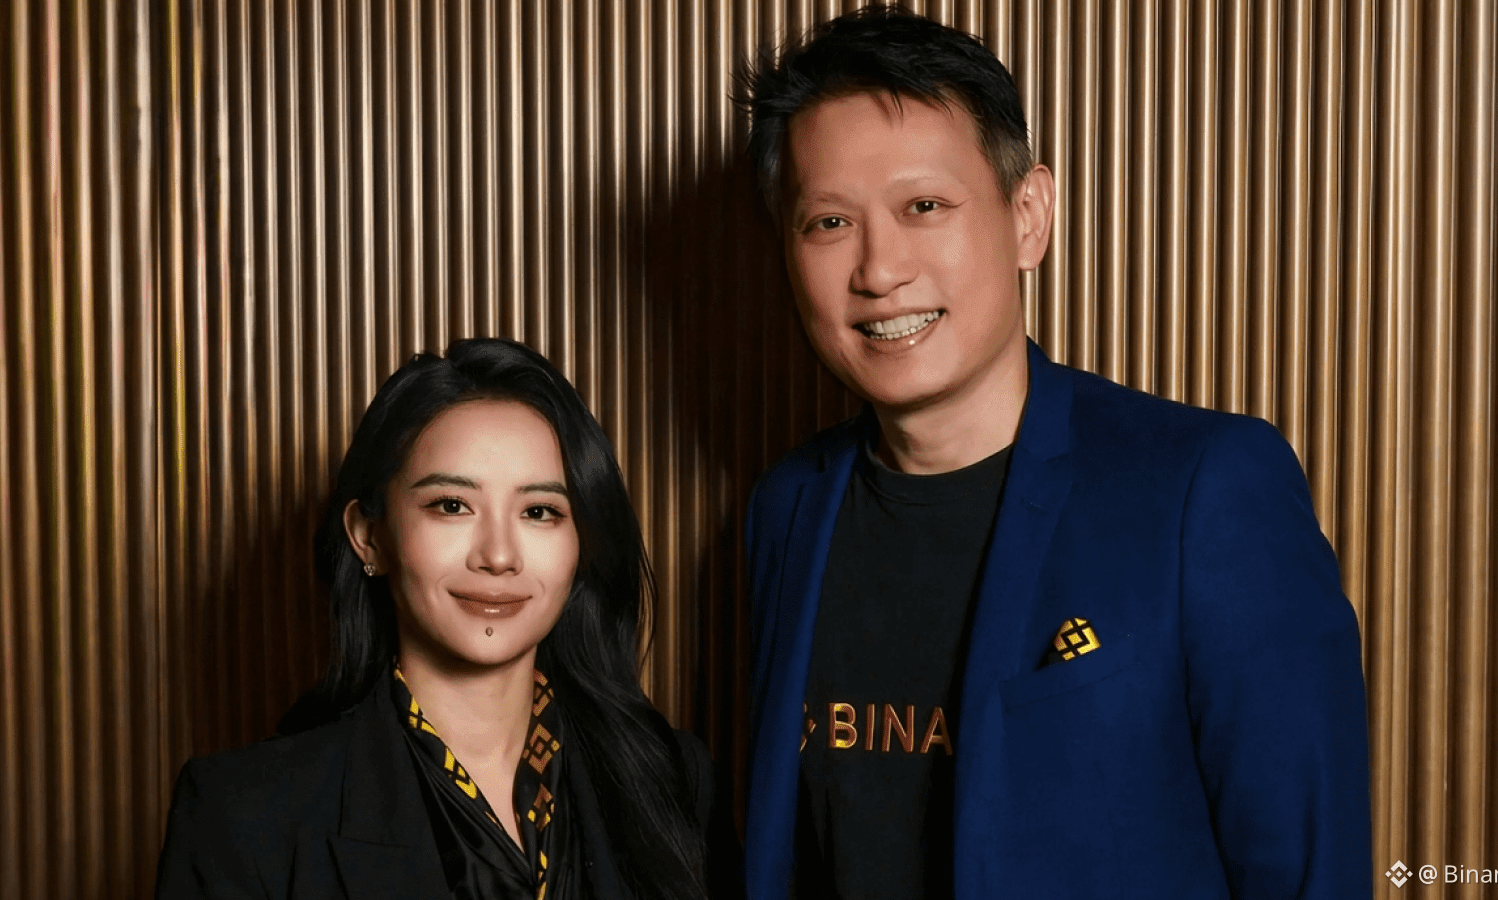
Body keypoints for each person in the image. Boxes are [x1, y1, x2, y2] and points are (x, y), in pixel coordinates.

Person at [738, 8, 1371, 899]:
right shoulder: (787, 508)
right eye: (829, 222)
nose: (879, 270)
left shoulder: (1204, 490)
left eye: (925, 207)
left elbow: (1310, 871)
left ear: (1028, 215)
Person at [156, 338, 718, 899]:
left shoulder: (677, 780)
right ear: (368, 536)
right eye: (451, 505)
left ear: (582, 544)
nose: (498, 556)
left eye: (539, 511)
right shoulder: (243, 816)